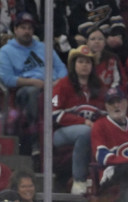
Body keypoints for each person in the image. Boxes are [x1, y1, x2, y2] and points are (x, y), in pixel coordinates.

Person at [0, 12, 68, 155]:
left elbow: (62, 68)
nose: (27, 31)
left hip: (53, 86)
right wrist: (33, 82)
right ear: (15, 29)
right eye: (23, 27)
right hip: (25, 89)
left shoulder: (44, 47)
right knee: (31, 94)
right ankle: (34, 140)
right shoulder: (6, 51)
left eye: (30, 28)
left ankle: (62, 129)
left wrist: (57, 82)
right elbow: (7, 79)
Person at [52, 45, 107, 196]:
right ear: (73, 65)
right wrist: (81, 122)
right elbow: (54, 114)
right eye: (81, 62)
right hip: (60, 133)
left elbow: (105, 113)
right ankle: (79, 181)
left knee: (93, 132)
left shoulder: (99, 86)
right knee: (85, 132)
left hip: (93, 129)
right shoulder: (62, 85)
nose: (84, 65)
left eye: (88, 62)